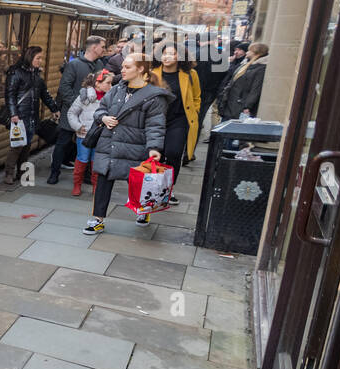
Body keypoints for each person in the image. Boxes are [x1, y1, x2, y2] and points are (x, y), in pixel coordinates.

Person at [82, 52, 171, 235]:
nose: (122, 70)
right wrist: (104, 118)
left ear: (141, 70)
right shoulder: (116, 89)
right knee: (103, 180)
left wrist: (154, 148)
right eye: (122, 66)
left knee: (139, 182)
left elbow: (155, 125)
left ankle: (144, 211)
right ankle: (97, 219)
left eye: (127, 67)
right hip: (110, 143)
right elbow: (100, 110)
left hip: (135, 146)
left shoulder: (154, 97)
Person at [51, 35, 106, 183]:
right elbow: (64, 87)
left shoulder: (100, 64)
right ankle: (54, 173)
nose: (104, 50)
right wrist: (77, 104)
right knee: (63, 142)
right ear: (94, 47)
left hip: (91, 114)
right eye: (102, 47)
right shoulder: (74, 64)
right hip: (72, 111)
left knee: (90, 143)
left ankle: (87, 175)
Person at [3, 45, 59, 186]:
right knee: (17, 145)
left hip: (31, 115)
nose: (40, 61)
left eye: (41, 58)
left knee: (27, 145)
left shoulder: (36, 74)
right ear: (30, 57)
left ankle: (22, 172)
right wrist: (13, 113)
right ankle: (9, 173)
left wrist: (54, 109)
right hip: (20, 115)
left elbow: (44, 94)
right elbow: (9, 95)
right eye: (38, 58)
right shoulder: (16, 72)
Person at [157, 43, 200, 199]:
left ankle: (169, 188)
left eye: (172, 54)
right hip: (157, 119)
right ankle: (156, 187)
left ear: (179, 57)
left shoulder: (190, 74)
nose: (167, 57)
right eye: (164, 53)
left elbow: (196, 97)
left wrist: (194, 110)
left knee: (173, 153)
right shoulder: (153, 73)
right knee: (158, 154)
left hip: (179, 119)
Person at [66, 68, 114, 196]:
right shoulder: (84, 97)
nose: (111, 86)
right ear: (97, 84)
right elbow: (71, 113)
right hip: (84, 135)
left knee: (96, 161)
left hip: (101, 136)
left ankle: (96, 186)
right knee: (82, 159)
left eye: (111, 83)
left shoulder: (111, 98)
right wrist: (77, 126)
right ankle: (77, 184)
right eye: (108, 83)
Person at [196, 39, 241, 137]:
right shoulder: (222, 56)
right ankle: (190, 150)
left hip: (195, 90)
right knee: (199, 118)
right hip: (211, 92)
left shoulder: (196, 54)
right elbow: (224, 76)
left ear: (200, 42)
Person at [216, 41, 267, 121]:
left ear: (256, 53)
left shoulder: (260, 68)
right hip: (232, 101)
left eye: (250, 50)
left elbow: (255, 89)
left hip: (239, 104)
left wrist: (247, 106)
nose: (247, 52)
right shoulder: (246, 64)